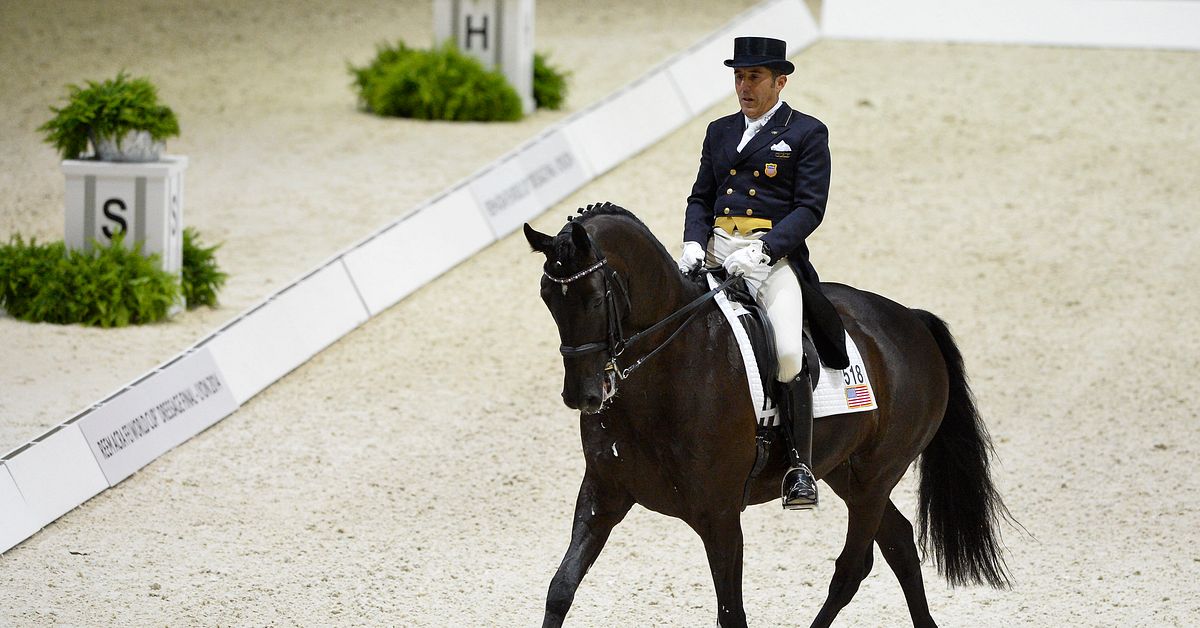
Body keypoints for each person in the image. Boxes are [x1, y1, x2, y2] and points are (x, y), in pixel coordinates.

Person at [677, 36, 831, 510]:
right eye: (739, 77)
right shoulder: (719, 131)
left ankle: (800, 469)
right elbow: (701, 196)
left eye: (755, 77)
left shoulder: (805, 132)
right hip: (716, 255)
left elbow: (809, 208)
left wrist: (764, 250)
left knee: (787, 352)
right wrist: (692, 241)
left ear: (779, 81)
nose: (744, 86)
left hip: (771, 261)